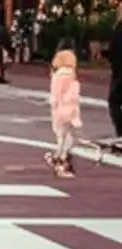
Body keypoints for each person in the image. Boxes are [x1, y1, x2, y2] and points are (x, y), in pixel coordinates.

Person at [47, 46, 83, 178]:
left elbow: (55, 95)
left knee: (61, 137)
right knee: (67, 139)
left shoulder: (56, 75)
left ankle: (58, 158)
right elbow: (73, 96)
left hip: (58, 110)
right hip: (68, 111)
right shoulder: (70, 75)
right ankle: (61, 161)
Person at [110, 14, 122, 138]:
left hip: (119, 72)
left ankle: (120, 130)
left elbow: (114, 49)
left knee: (114, 102)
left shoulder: (118, 28)